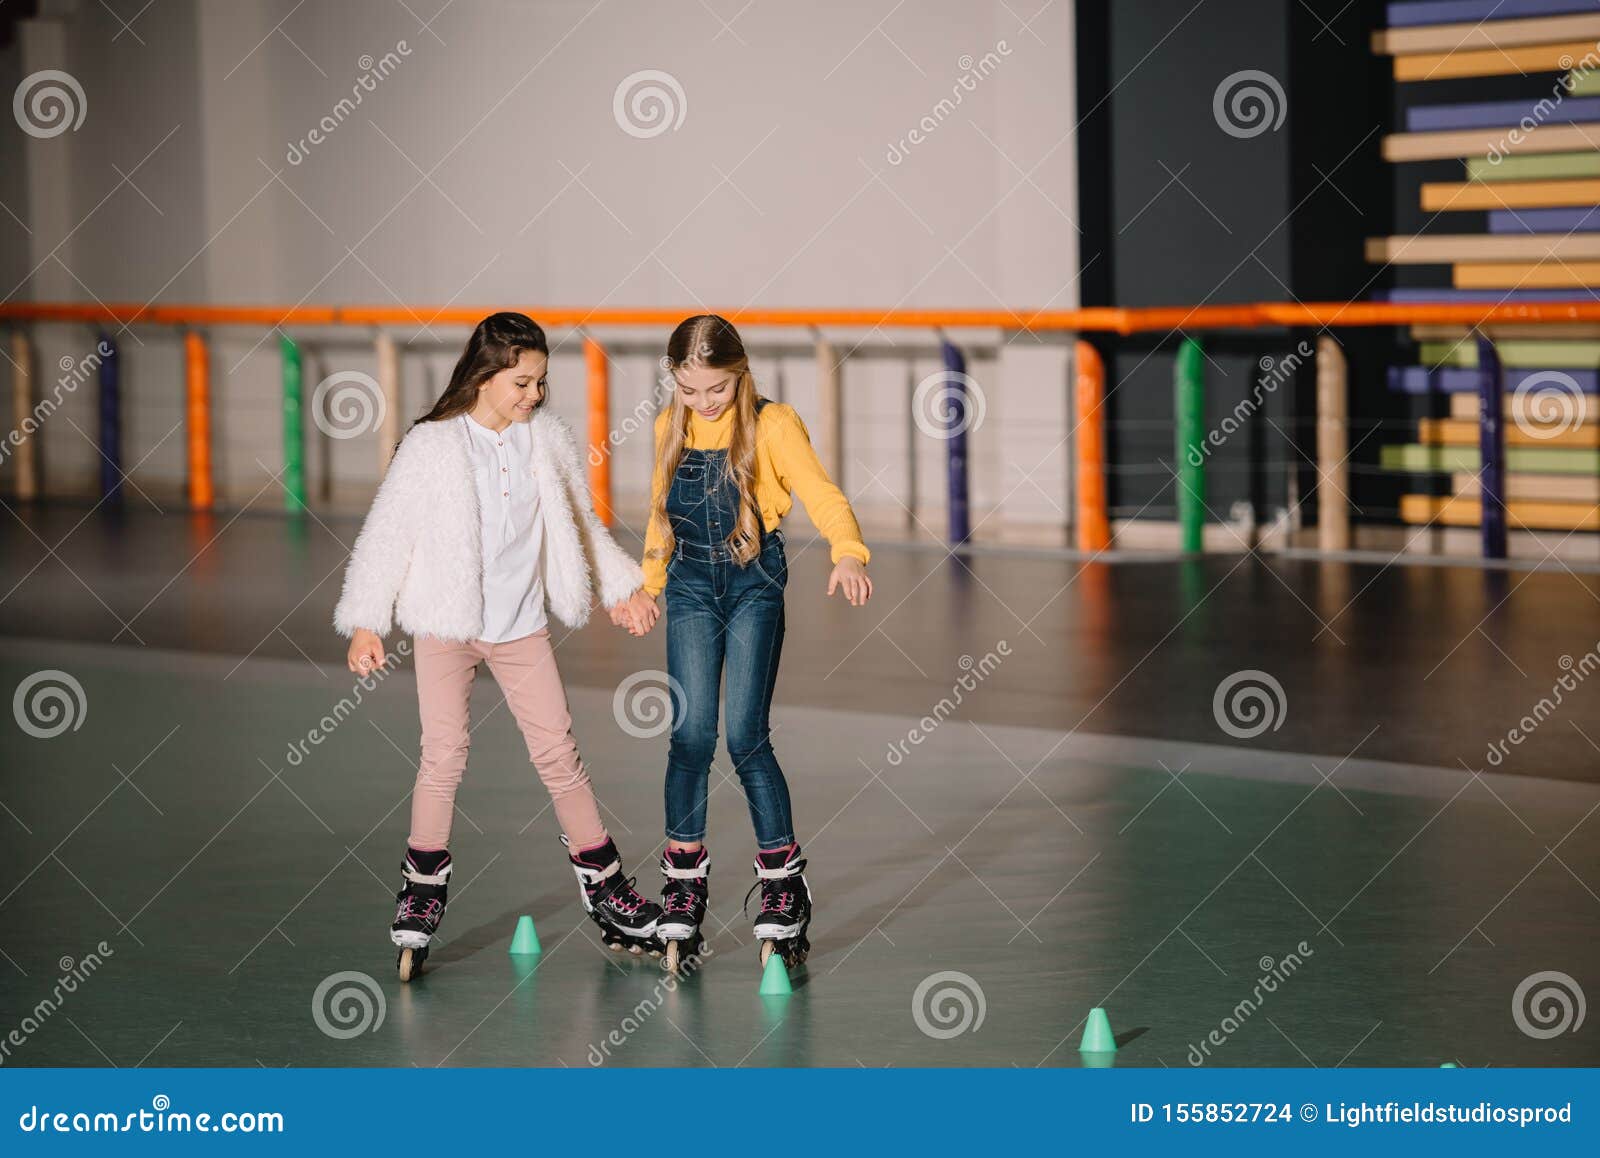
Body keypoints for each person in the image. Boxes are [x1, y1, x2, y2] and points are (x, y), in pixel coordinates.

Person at [334, 312, 661, 980]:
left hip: (519, 626)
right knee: (443, 755)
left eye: (540, 382)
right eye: (522, 381)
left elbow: (578, 525)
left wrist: (621, 587)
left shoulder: (545, 441)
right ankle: (422, 891)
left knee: (559, 753)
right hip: (446, 627)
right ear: (485, 373)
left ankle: (606, 888)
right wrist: (368, 620)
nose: (533, 395)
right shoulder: (432, 446)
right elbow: (389, 534)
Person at [613, 314, 874, 972]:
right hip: (689, 588)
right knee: (691, 734)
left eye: (716, 391)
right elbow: (657, 512)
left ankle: (783, 883)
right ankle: (683, 878)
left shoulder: (774, 424)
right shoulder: (668, 425)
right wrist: (646, 585)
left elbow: (820, 491)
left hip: (754, 584)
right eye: (688, 389)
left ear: (741, 374)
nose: (702, 403)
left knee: (744, 737)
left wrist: (848, 553)